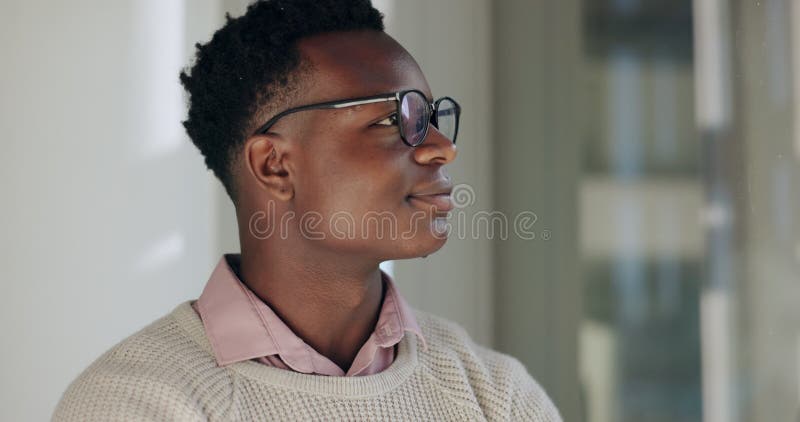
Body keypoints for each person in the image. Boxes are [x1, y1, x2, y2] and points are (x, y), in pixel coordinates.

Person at [53, 0, 562, 420]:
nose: (440, 148)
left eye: (430, 117)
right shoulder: (136, 402)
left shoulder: (496, 394)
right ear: (275, 166)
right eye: (394, 119)